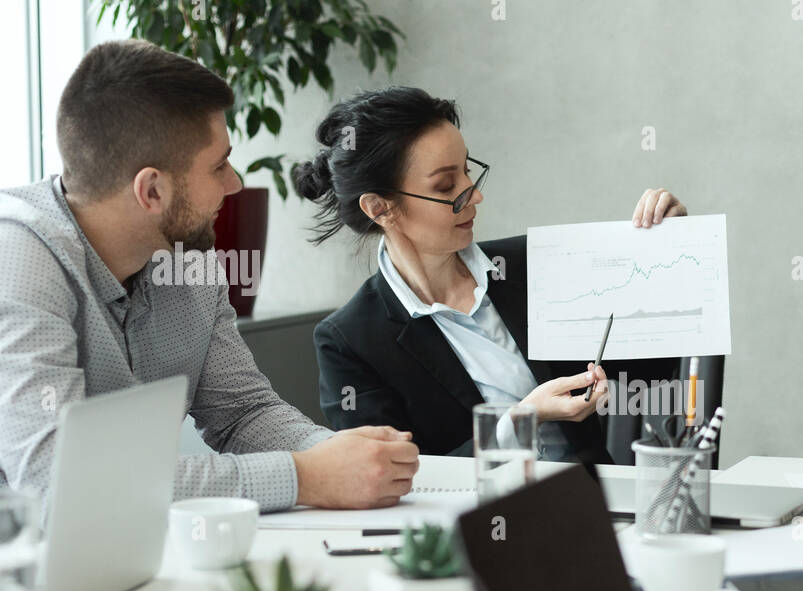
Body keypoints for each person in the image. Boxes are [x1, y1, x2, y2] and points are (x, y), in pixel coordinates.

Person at [0, 40, 416, 524]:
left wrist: (340, 456)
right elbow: (58, 486)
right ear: (151, 190)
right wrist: (304, 476)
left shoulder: (186, 254)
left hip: (130, 554)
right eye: (219, 165)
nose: (235, 183)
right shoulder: (20, 258)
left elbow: (241, 412)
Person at [297, 87, 683, 460]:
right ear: (380, 208)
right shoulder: (350, 342)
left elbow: (652, 370)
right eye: (447, 185)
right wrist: (519, 421)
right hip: (469, 523)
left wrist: (670, 250)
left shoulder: (535, 266)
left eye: (467, 171)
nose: (474, 194)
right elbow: (392, 475)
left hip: (592, 507)